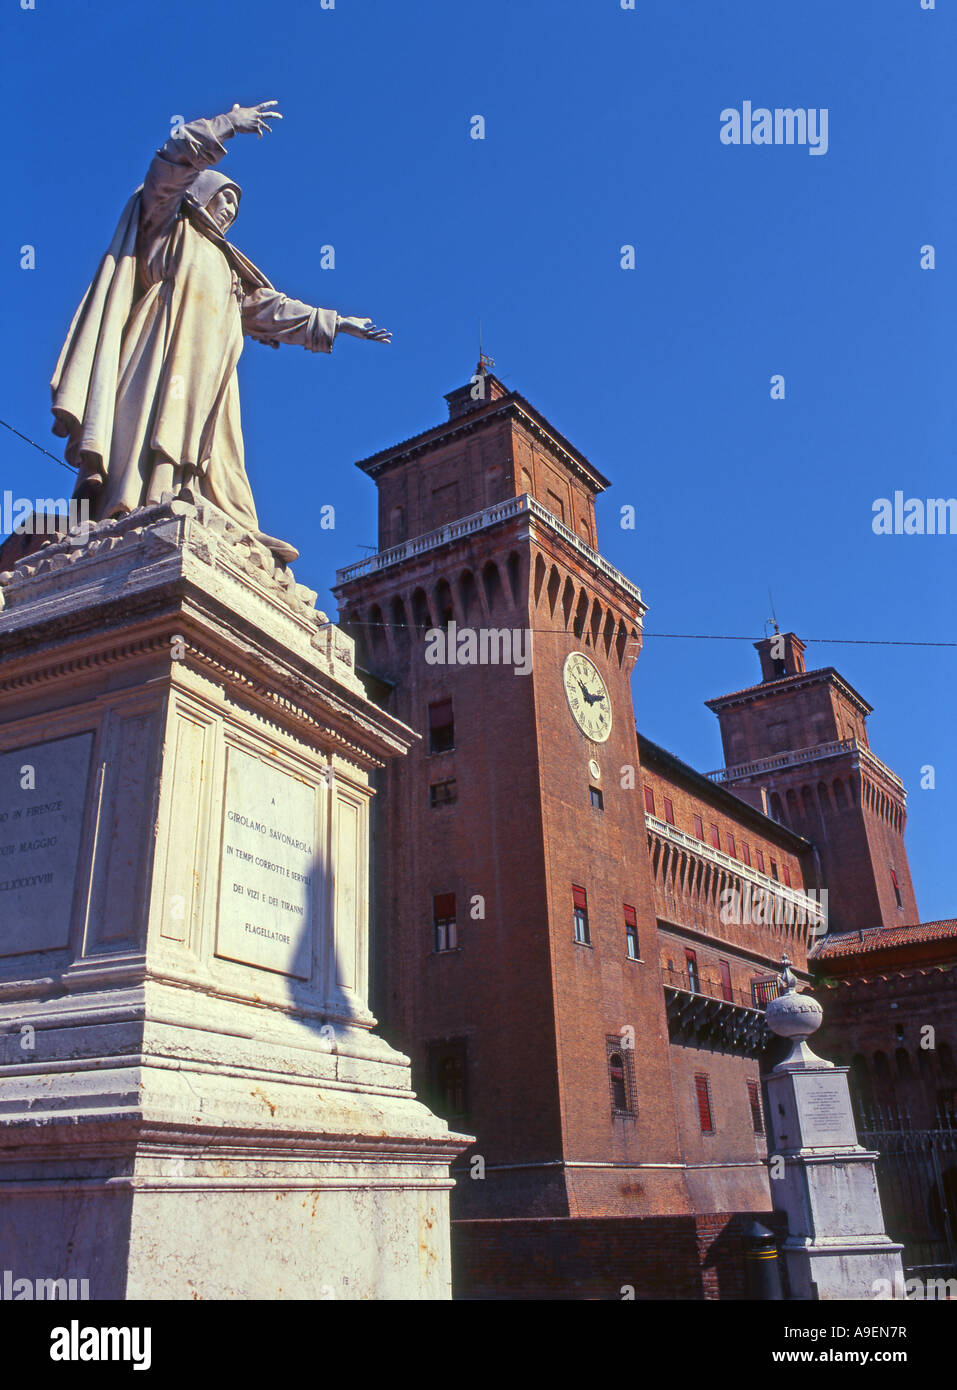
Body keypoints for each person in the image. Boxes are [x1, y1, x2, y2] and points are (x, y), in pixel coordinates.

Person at [51, 101, 389, 563]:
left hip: (214, 374)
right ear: (200, 193)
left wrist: (335, 322)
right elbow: (170, 161)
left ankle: (228, 521)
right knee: (157, 425)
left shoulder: (229, 266)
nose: (228, 209)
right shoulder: (166, 222)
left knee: (222, 458)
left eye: (234, 205)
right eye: (222, 198)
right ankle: (147, 499)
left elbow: (270, 310)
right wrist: (226, 125)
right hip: (160, 355)